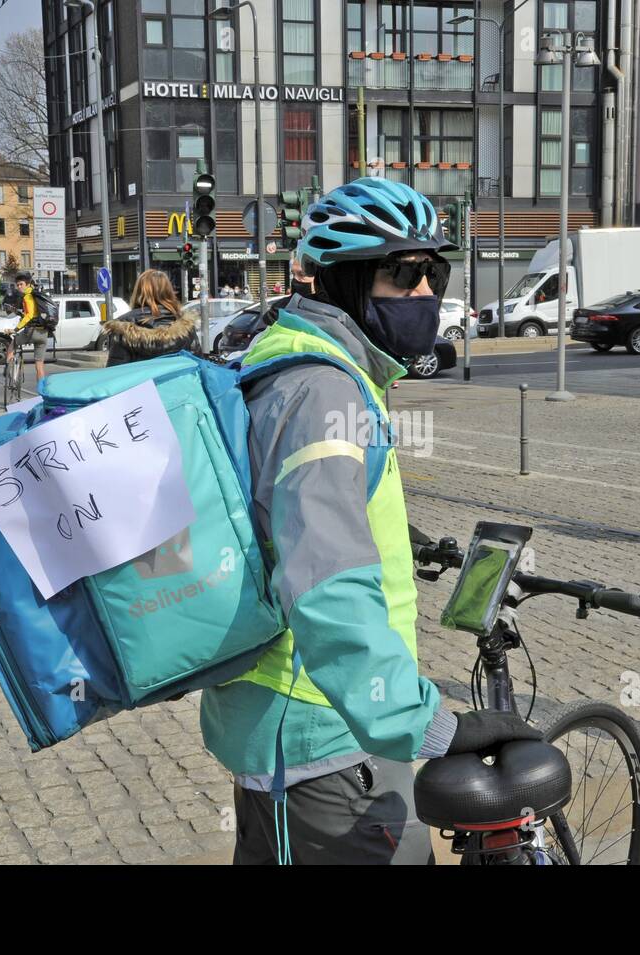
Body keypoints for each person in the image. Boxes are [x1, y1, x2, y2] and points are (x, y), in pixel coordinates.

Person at [201, 178, 540, 865]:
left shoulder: (299, 361)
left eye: (432, 272)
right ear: (346, 281)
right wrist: (430, 727)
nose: (423, 292)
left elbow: (298, 511)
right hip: (325, 736)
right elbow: (328, 589)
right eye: (401, 273)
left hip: (287, 726)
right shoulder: (325, 388)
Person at [98, 269, 198, 366]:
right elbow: (197, 362)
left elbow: (116, 371)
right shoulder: (185, 324)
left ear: (138, 292)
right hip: (178, 382)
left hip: (141, 382)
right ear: (169, 292)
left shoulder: (123, 325)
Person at [5, 272, 49, 384]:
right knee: (39, 365)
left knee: (13, 343)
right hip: (43, 333)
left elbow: (29, 315)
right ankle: (42, 392)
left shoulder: (28, 297)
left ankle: (8, 369)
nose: (19, 287)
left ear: (28, 284)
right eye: (18, 285)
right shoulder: (37, 295)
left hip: (31, 332)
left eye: (21, 284)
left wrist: (15, 329)